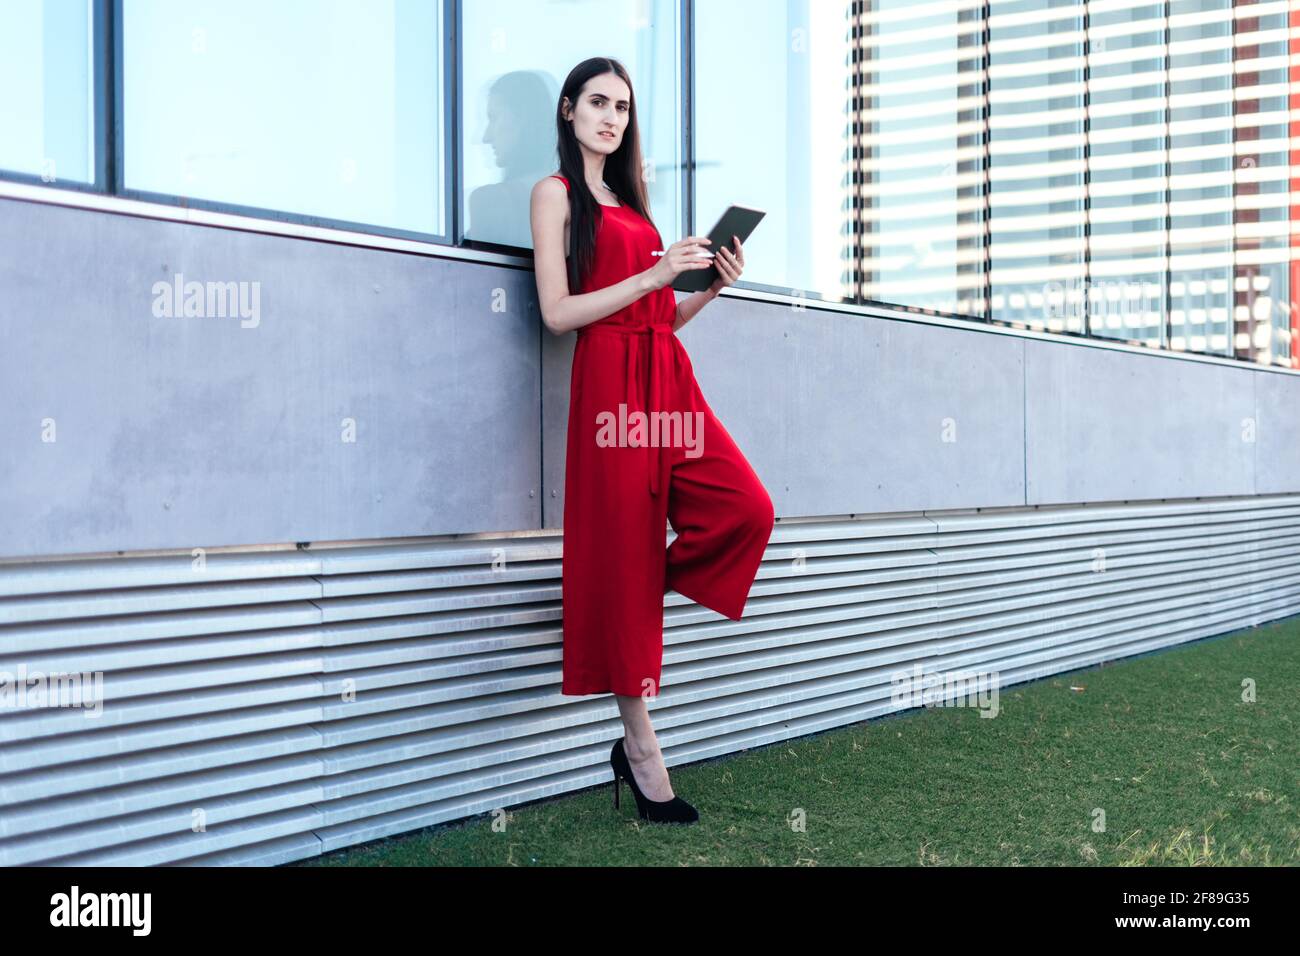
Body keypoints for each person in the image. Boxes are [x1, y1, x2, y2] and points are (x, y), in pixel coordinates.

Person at [530, 57, 775, 825]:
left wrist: (708, 287)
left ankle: (621, 592)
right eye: (597, 103)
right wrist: (654, 275)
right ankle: (640, 751)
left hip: (666, 372)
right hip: (608, 386)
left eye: (623, 108)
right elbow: (558, 313)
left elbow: (660, 317)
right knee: (627, 554)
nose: (611, 117)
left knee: (747, 509)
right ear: (569, 110)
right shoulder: (555, 194)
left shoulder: (633, 202)